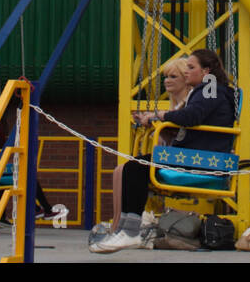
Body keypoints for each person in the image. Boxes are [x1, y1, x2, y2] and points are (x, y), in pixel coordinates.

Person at [91, 49, 235, 254]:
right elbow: (196, 123)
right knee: (134, 167)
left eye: (191, 68)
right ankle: (123, 229)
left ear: (206, 71)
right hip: (199, 155)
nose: (187, 72)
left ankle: (129, 232)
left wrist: (159, 116)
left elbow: (192, 116)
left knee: (135, 168)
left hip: (202, 160)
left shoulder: (210, 89)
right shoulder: (209, 90)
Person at [99, 57, 192, 237]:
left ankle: (130, 227)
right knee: (121, 170)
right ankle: (118, 222)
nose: (167, 81)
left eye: (173, 76)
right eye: (165, 77)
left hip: (181, 157)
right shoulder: (176, 105)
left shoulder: (189, 104)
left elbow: (181, 124)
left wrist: (156, 120)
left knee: (134, 168)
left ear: (185, 79)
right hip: (171, 154)